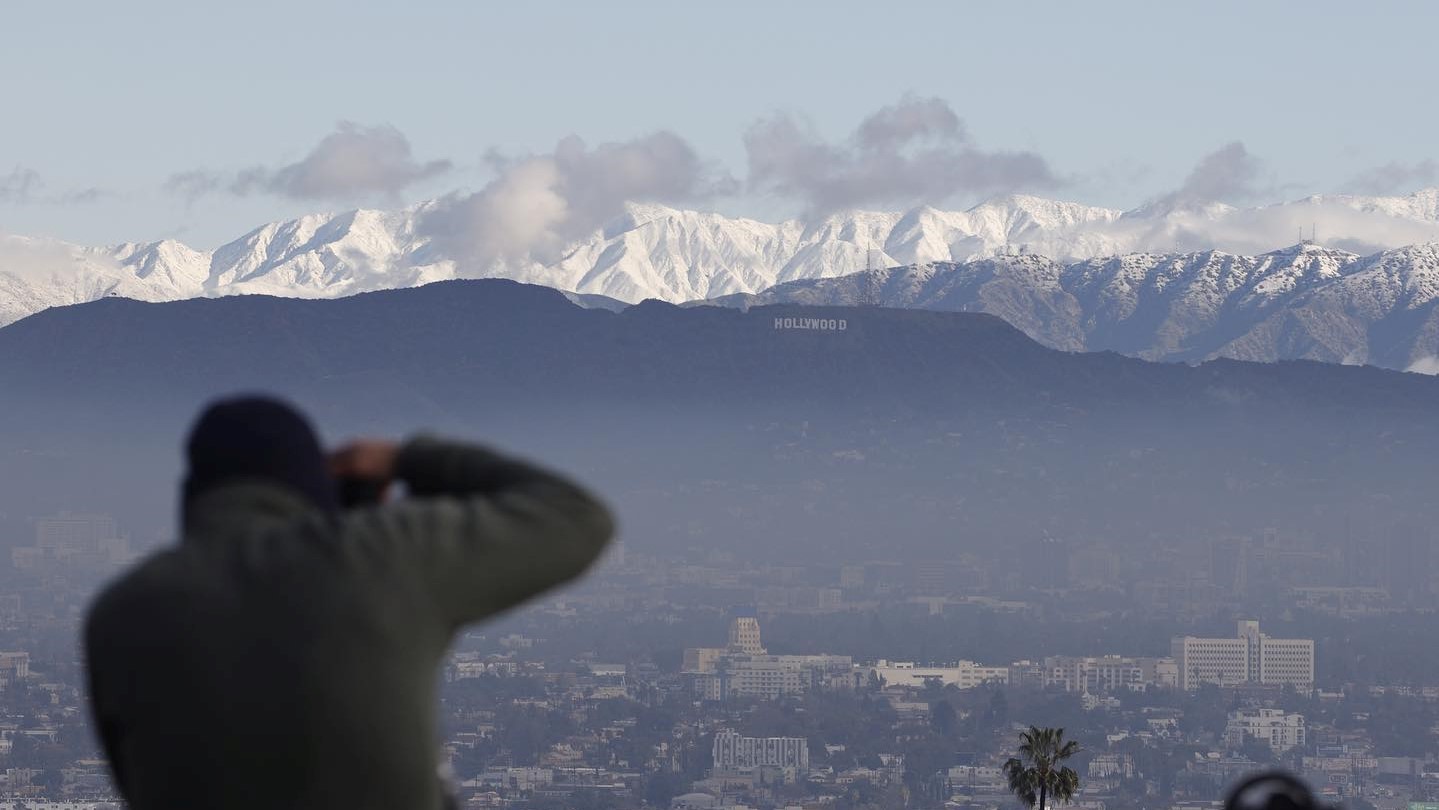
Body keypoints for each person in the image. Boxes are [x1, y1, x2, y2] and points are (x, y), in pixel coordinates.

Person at [83, 396, 615, 810]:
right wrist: (409, 459)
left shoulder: (121, 611)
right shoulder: (379, 557)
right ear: (316, 484)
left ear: (194, 494)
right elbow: (577, 517)